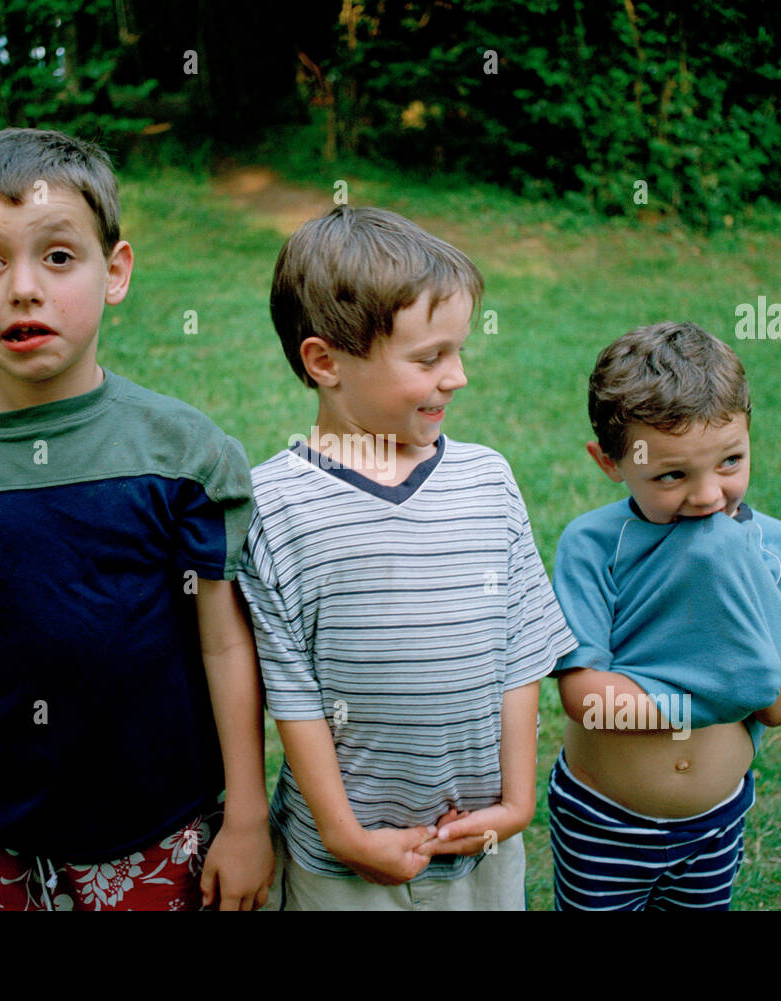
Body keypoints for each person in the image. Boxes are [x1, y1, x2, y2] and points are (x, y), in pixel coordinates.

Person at [0, 128, 273, 911]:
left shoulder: (184, 453)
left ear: (114, 271)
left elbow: (224, 640)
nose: (24, 289)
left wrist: (248, 814)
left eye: (58, 257)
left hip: (155, 822)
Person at [238, 205, 577, 909]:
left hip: (478, 846)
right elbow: (291, 696)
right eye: (428, 359)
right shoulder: (272, 506)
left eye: (457, 351)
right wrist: (345, 835)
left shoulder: (488, 480)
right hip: (339, 864)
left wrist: (516, 804)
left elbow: (520, 656)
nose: (457, 377)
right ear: (325, 360)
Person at [549, 321, 781, 910]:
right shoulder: (594, 545)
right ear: (609, 462)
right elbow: (588, 701)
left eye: (730, 461)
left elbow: (780, 705)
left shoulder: (780, 550)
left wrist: (744, 571)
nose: (707, 496)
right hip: (605, 820)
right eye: (672, 475)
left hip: (714, 821)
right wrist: (721, 696)